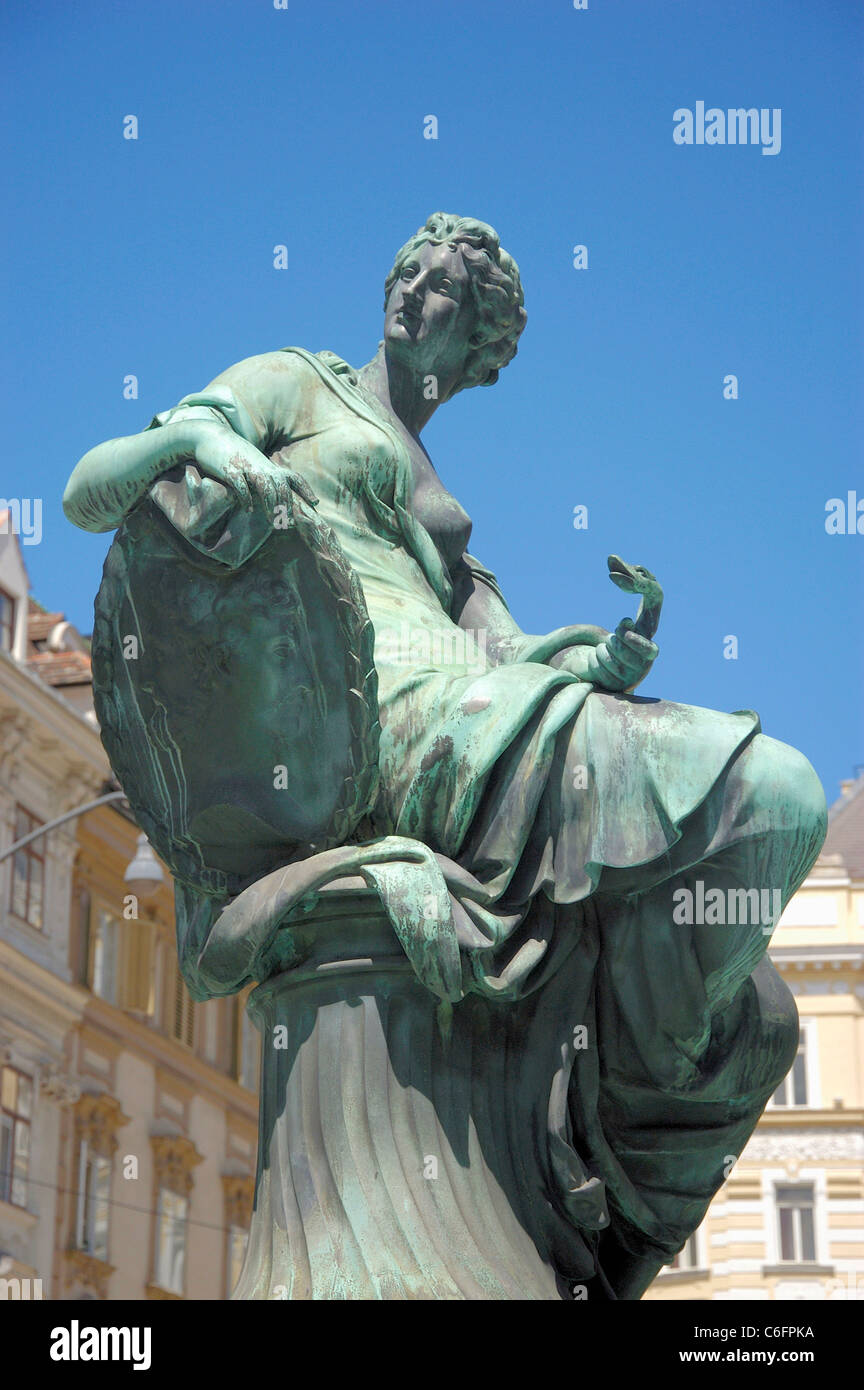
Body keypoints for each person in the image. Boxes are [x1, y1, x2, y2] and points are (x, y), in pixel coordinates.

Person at [64, 212, 827, 1297]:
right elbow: (94, 487)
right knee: (776, 796)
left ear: (477, 351)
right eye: (411, 271)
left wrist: (596, 656)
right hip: (374, 726)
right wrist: (198, 442)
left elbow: (509, 652)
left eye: (447, 294)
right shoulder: (297, 384)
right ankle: (610, 1115)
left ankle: (601, 1150)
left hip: (475, 705)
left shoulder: (448, 519)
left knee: (761, 1002)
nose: (415, 293)